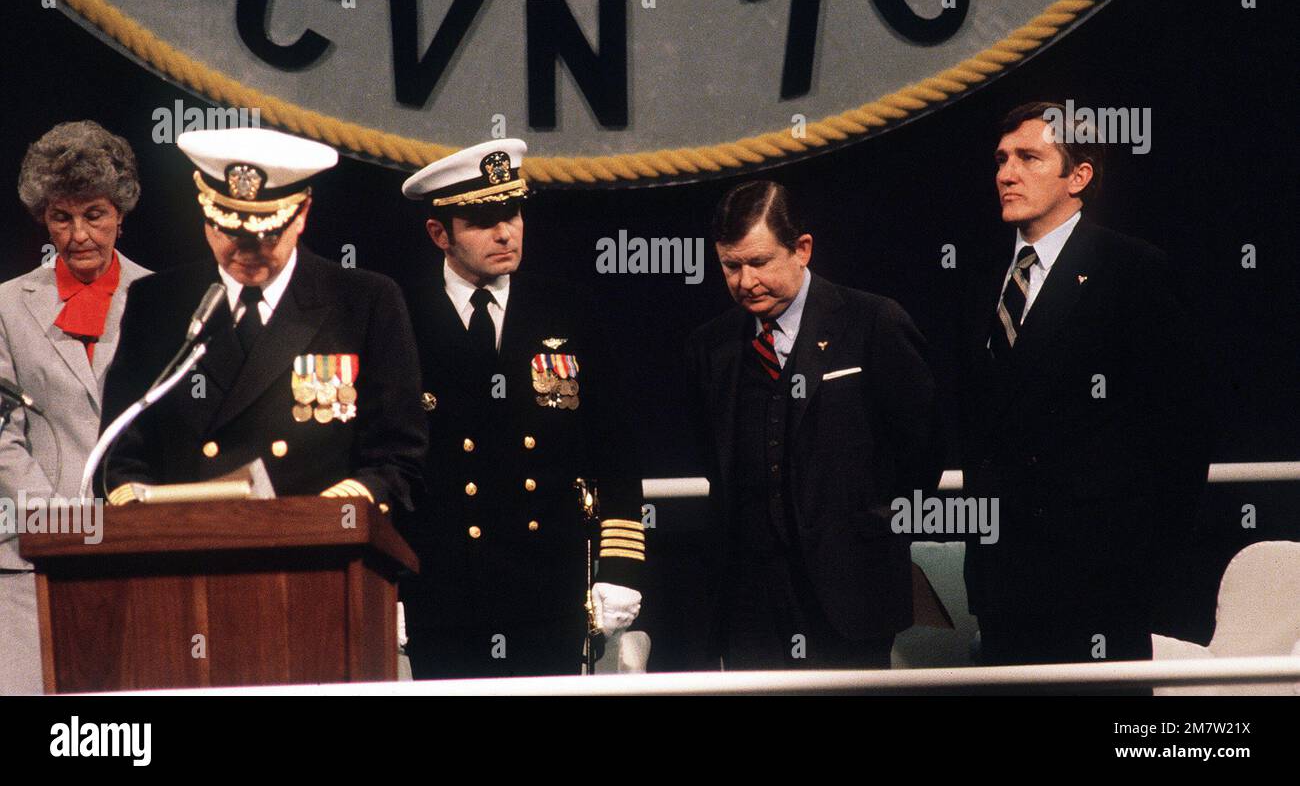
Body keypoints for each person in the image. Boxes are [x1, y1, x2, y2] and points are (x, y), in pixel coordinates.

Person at [960, 102, 1210, 666]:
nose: (1007, 173)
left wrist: (1142, 569)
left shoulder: (1133, 272)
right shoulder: (979, 281)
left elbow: (1182, 434)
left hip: (1099, 587)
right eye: (1002, 159)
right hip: (1001, 585)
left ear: (1079, 176)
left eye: (1029, 157)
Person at [397, 139, 645, 678]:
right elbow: (385, 459)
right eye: (482, 221)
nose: (505, 232)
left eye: (510, 213)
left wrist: (620, 566)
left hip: (547, 588)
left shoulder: (570, 310)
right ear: (440, 234)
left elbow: (616, 451)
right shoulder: (401, 318)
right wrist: (386, 575)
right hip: (443, 591)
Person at [95, 127, 424, 511]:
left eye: (265, 234)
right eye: (229, 231)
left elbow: (397, 459)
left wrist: (326, 517)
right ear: (205, 214)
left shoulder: (363, 301)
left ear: (301, 213)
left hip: (316, 553)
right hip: (186, 552)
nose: (246, 251)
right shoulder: (157, 303)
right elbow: (120, 454)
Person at [685, 180, 940, 669]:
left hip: (851, 590)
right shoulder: (709, 348)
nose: (745, 281)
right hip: (749, 600)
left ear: (802, 249)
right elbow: (712, 458)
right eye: (730, 266)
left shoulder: (873, 322)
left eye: (759, 262)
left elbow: (922, 449)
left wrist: (873, 532)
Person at [0, 120, 150, 694]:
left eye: (94, 214)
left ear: (120, 212)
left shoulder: (159, 296)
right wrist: (55, 517)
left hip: (134, 542)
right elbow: (3, 432)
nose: (79, 234)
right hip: (31, 554)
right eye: (62, 217)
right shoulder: (9, 306)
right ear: (45, 217)